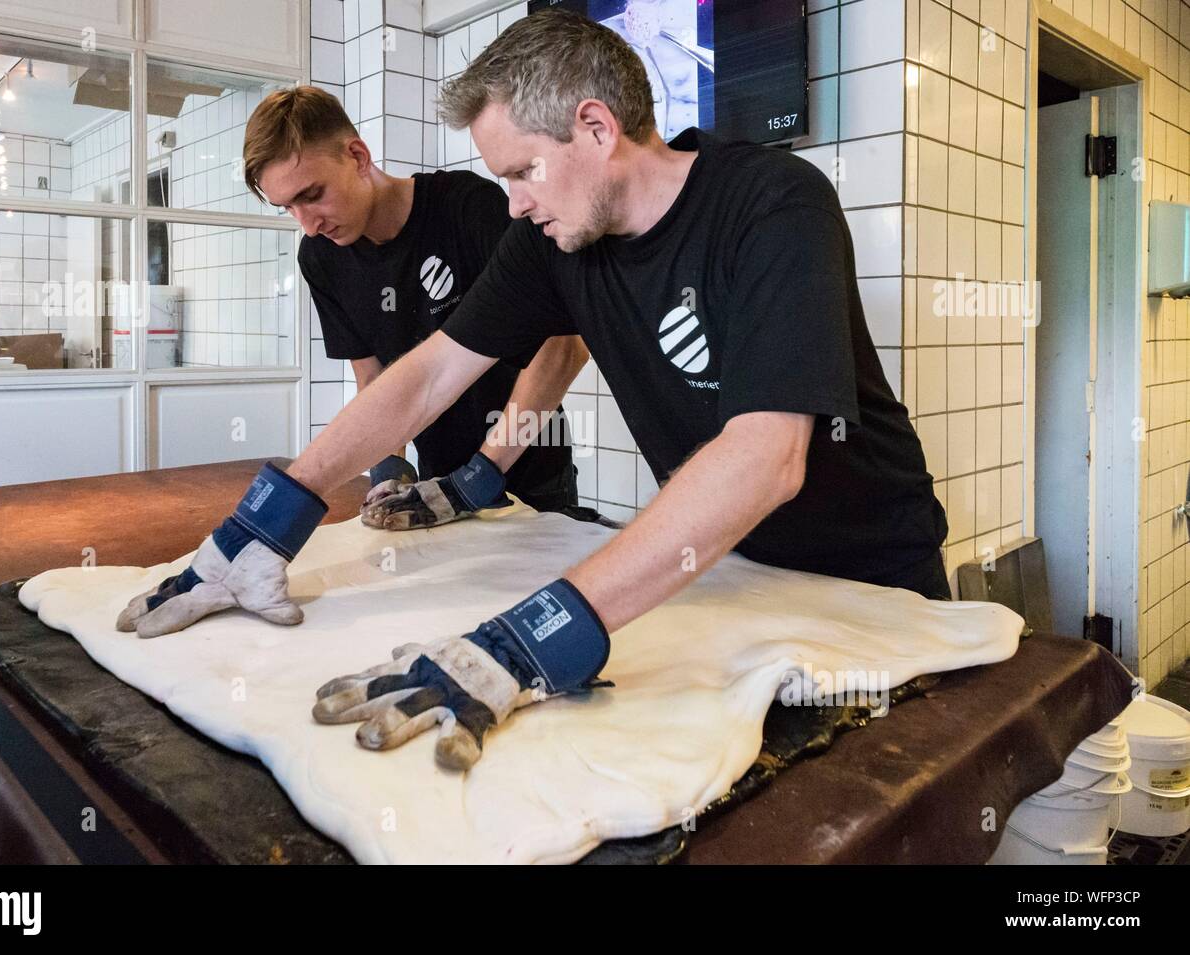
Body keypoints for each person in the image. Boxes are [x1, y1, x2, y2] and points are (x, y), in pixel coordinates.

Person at [118, 10, 949, 773]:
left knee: (904, 796)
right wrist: (269, 519)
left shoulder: (773, 202)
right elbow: (426, 376)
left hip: (874, 583)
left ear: (594, 126)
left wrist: (532, 636)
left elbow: (767, 457)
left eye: (521, 171)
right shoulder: (551, 241)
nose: (510, 201)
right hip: (729, 572)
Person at [250, 86, 586, 531]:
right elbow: (373, 378)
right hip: (437, 480)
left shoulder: (467, 208)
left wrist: (483, 473)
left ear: (357, 156)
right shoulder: (321, 257)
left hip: (530, 468)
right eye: (287, 208)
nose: (307, 224)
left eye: (312, 194)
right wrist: (389, 468)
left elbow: (563, 347)